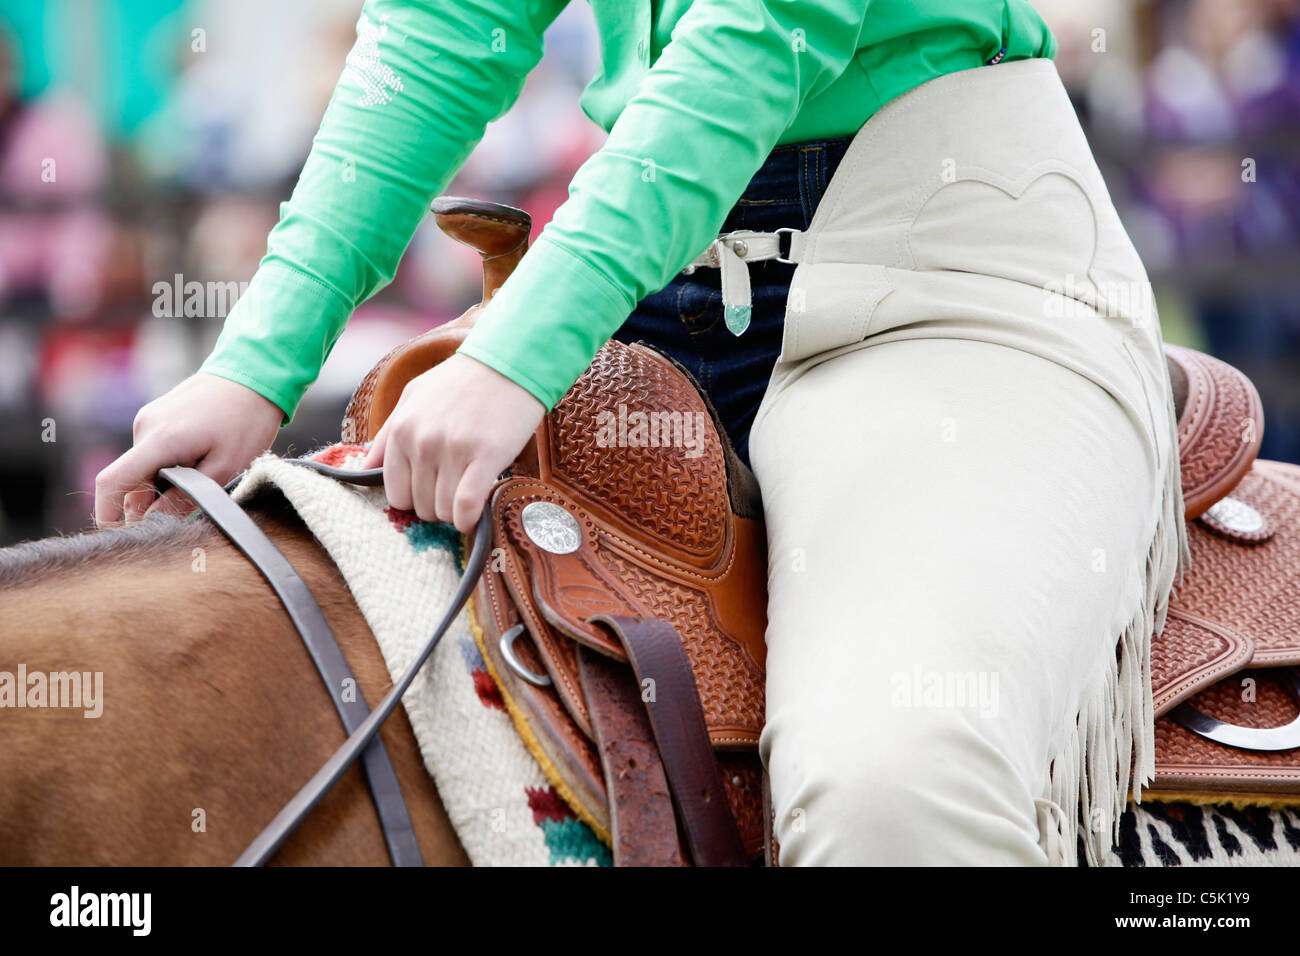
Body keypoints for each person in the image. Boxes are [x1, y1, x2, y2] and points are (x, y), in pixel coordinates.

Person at [94, 1, 1186, 866]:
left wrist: (515, 353)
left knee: (892, 785)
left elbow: (761, 32)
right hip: (649, 287)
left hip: (942, 287)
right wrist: (254, 361)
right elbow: (437, 28)